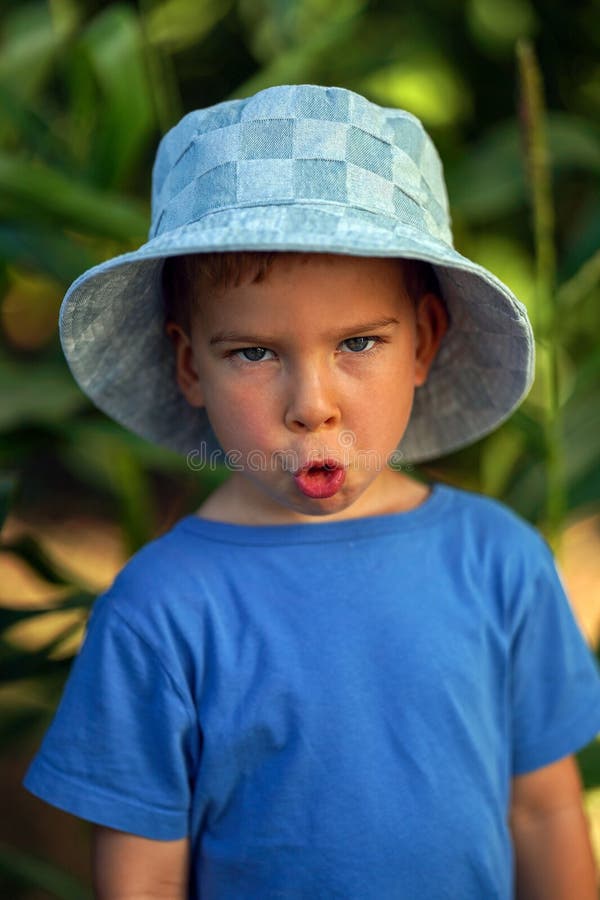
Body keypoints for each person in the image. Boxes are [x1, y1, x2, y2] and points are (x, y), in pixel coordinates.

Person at [24, 84, 600, 899]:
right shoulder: (160, 610)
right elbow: (143, 879)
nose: (312, 404)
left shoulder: (500, 562)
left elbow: (543, 811)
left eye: (358, 342)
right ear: (190, 366)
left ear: (424, 342)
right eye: (254, 353)